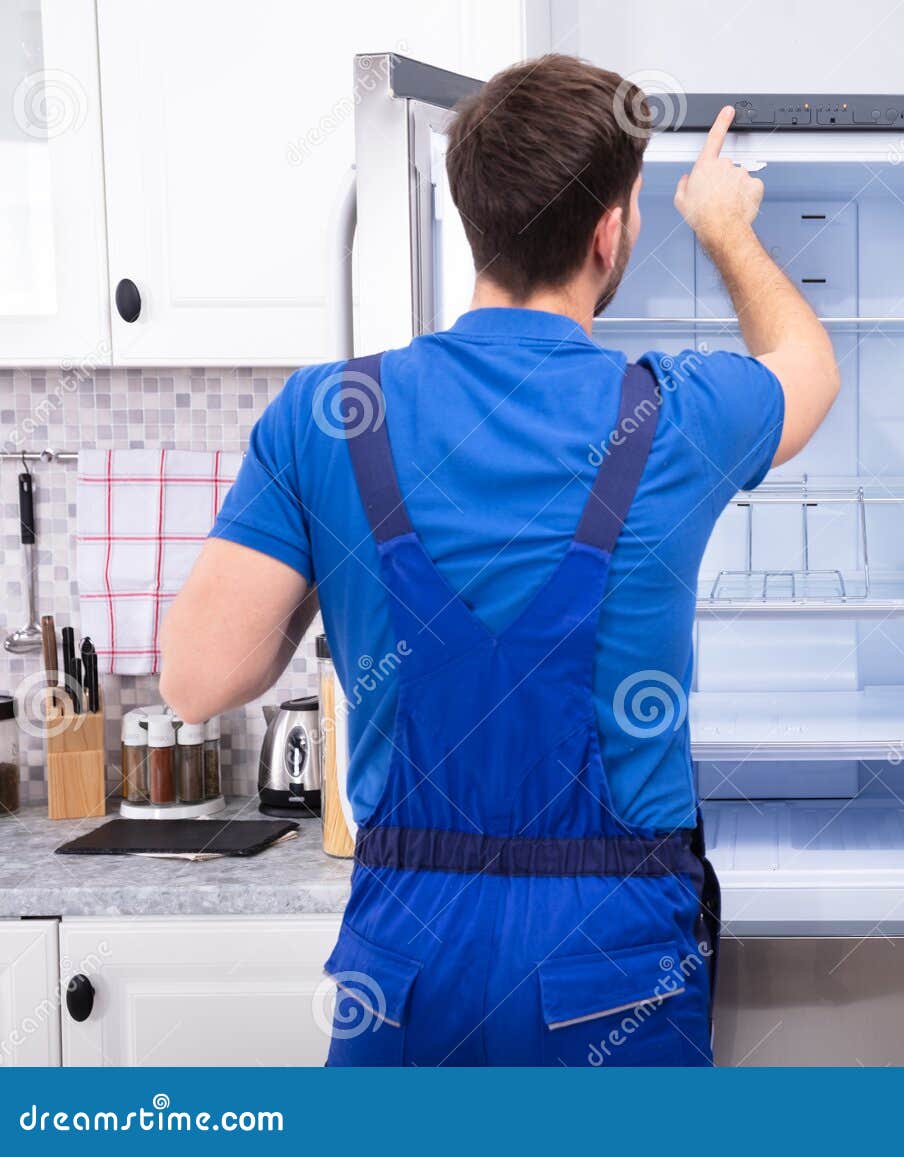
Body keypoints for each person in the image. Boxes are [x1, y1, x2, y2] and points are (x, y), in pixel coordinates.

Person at [160, 55, 839, 1066]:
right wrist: (726, 229)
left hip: (406, 969)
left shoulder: (329, 416)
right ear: (608, 234)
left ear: (473, 216)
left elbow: (197, 679)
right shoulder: (676, 413)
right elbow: (807, 368)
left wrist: (337, 562)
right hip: (609, 966)